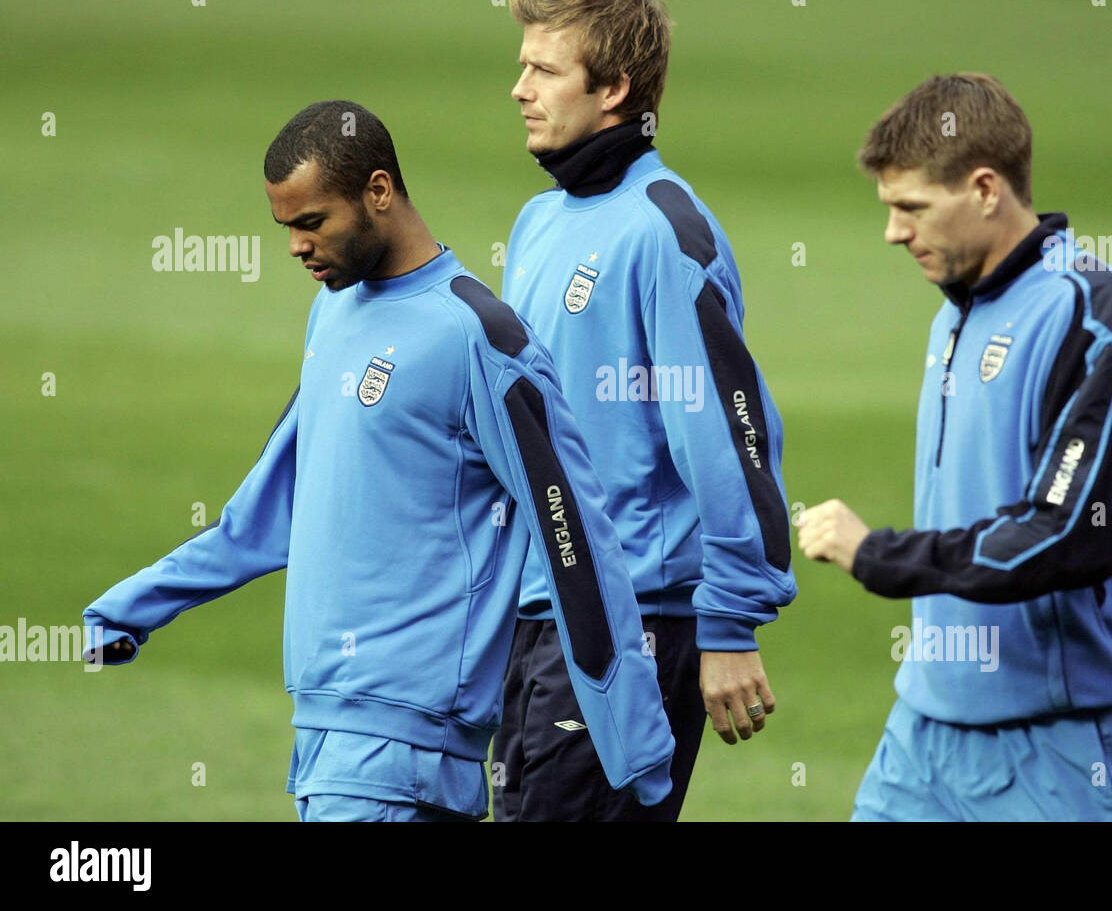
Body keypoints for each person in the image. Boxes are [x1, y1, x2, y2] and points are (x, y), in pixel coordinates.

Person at [81, 100, 676, 822]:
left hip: (405, 758)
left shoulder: (478, 336)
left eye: (312, 222)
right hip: (324, 745)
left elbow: (572, 530)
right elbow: (270, 510)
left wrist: (634, 737)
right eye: (286, 228)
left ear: (379, 192)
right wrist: (134, 607)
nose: (297, 246)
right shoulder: (333, 312)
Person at [796, 73, 1112, 820]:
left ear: (985, 189)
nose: (893, 232)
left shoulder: (1091, 317)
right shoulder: (954, 316)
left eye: (911, 207)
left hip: (1063, 747)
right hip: (925, 731)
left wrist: (879, 554)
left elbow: (1075, 534)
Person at [491, 0, 797, 821]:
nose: (519, 88)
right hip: (535, 614)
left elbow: (729, 436)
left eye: (544, 70)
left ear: (615, 88)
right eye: (522, 65)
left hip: (633, 627)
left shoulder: (668, 233)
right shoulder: (539, 219)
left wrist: (731, 623)